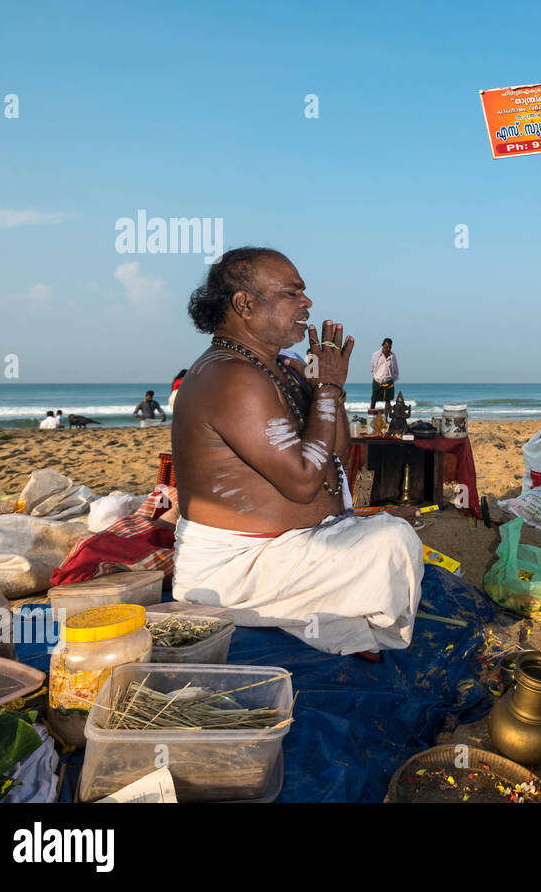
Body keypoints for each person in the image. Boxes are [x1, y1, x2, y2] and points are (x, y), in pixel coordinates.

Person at [171, 247, 423, 657]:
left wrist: (331, 392)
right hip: (238, 569)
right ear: (245, 304)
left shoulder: (275, 368)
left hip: (289, 547)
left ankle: (324, 616)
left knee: (386, 538)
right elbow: (305, 482)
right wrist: (323, 391)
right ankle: (321, 617)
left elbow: (334, 459)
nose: (307, 303)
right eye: (292, 293)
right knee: (391, 542)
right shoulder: (232, 378)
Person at [370, 338, 399, 408]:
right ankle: (371, 416)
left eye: (390, 347)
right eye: (386, 347)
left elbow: (395, 368)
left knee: (388, 400)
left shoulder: (392, 356)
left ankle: (386, 418)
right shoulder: (375, 355)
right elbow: (373, 367)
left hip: (388, 381)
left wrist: (393, 378)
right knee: (374, 399)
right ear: (382, 345)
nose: (388, 349)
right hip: (377, 381)